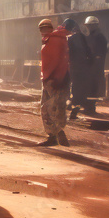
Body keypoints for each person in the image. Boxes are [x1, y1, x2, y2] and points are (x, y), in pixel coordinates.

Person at [38, 19, 70, 147]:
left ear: (50, 29)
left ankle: (57, 134)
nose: (42, 32)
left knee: (49, 108)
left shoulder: (53, 41)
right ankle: (54, 135)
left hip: (53, 80)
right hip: (54, 79)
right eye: (41, 29)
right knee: (52, 108)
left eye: (44, 29)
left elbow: (55, 62)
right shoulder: (56, 39)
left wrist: (52, 78)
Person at [65, 18, 91, 120]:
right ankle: (80, 103)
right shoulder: (85, 38)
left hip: (73, 66)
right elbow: (89, 52)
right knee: (82, 85)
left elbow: (67, 53)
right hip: (83, 66)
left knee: (74, 85)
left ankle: (73, 104)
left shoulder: (69, 39)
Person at [84, 16, 107, 112]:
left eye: (91, 25)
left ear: (96, 25)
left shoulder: (100, 37)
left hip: (95, 68)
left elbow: (100, 54)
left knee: (93, 87)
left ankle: (90, 107)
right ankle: (87, 106)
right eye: (88, 26)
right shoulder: (88, 37)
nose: (89, 27)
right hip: (88, 67)